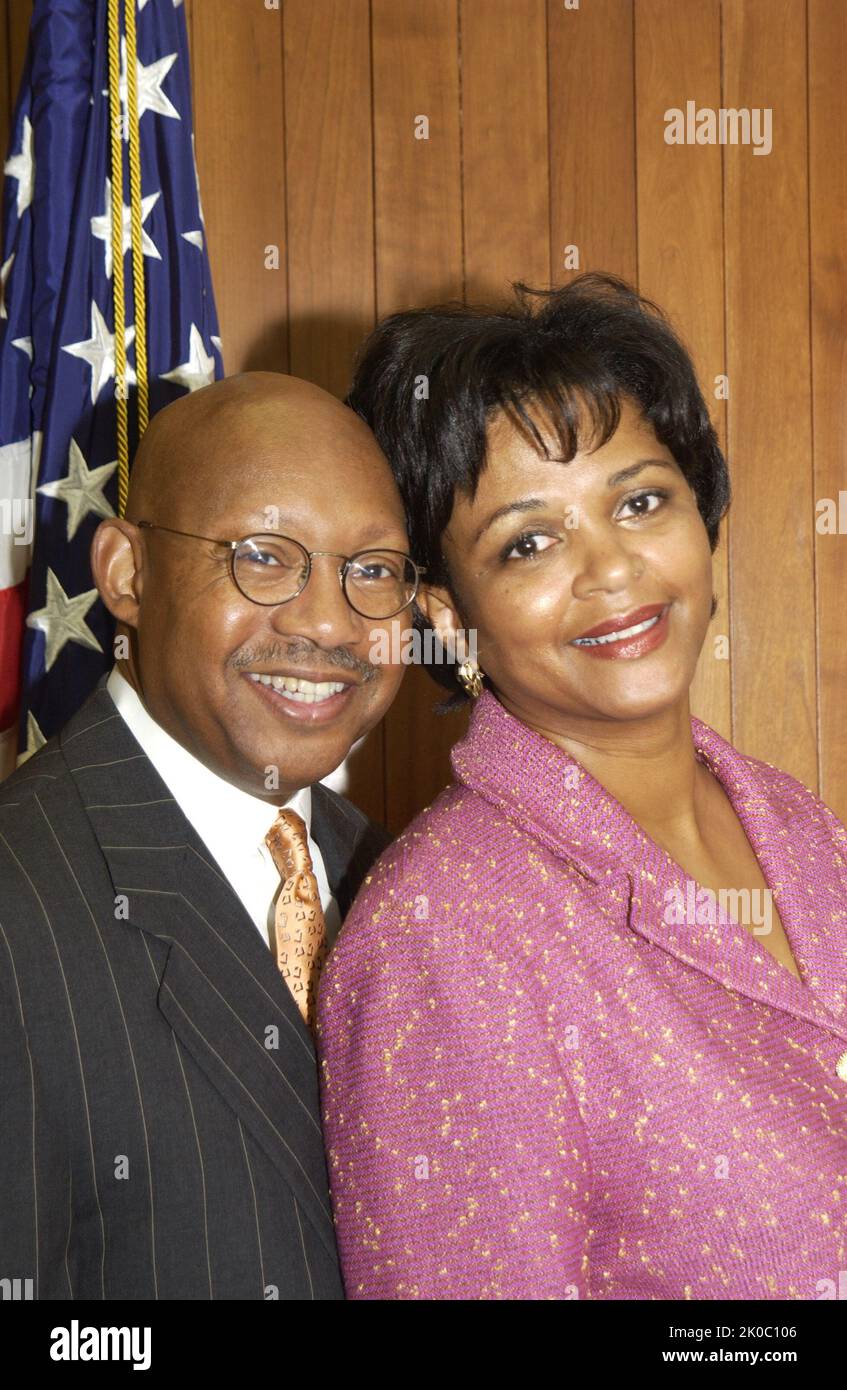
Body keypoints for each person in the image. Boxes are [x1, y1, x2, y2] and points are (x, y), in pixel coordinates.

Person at [316, 274, 847, 1300]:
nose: (610, 568)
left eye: (640, 501)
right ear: (446, 614)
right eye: (529, 542)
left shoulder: (799, 828)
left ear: (702, 513)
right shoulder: (443, 935)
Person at [0, 371, 418, 1299]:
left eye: (375, 570)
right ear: (127, 574)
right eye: (265, 556)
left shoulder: (406, 885)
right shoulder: (19, 906)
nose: (328, 621)